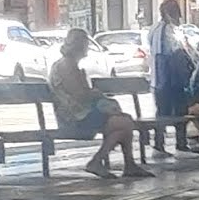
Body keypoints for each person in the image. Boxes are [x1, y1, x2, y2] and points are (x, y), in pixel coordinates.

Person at [48, 29, 154, 179]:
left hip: (80, 113)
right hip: (76, 117)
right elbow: (80, 95)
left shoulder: (68, 65)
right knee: (125, 122)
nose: (87, 48)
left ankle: (124, 164)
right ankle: (101, 161)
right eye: (86, 43)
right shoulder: (66, 66)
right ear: (79, 45)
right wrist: (96, 94)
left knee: (123, 125)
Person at [149, 0, 194, 152]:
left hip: (157, 78)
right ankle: (181, 142)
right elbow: (179, 52)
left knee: (162, 110)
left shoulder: (154, 28)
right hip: (172, 79)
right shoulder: (171, 30)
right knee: (180, 109)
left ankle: (159, 142)